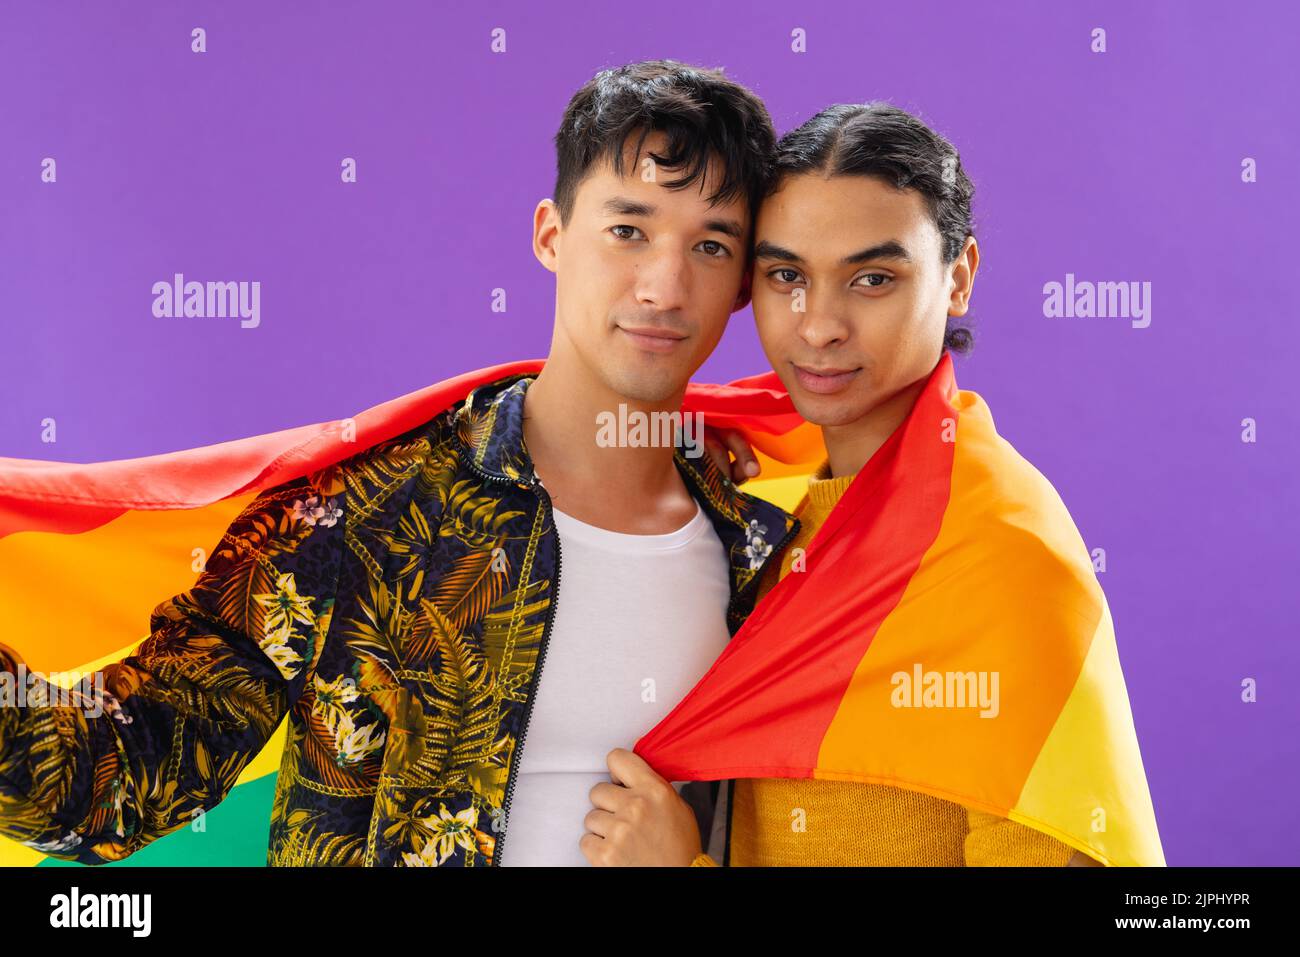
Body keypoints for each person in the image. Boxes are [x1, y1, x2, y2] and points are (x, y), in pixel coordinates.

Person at [0, 59, 801, 867]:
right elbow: (104, 785)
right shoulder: (364, 511)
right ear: (551, 237)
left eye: (710, 245)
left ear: (742, 283)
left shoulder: (761, 550)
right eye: (628, 230)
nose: (665, 286)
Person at [581, 102, 1107, 867]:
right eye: (787, 275)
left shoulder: (1004, 551)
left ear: (958, 277)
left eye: (872, 278)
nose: (819, 324)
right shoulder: (760, 501)